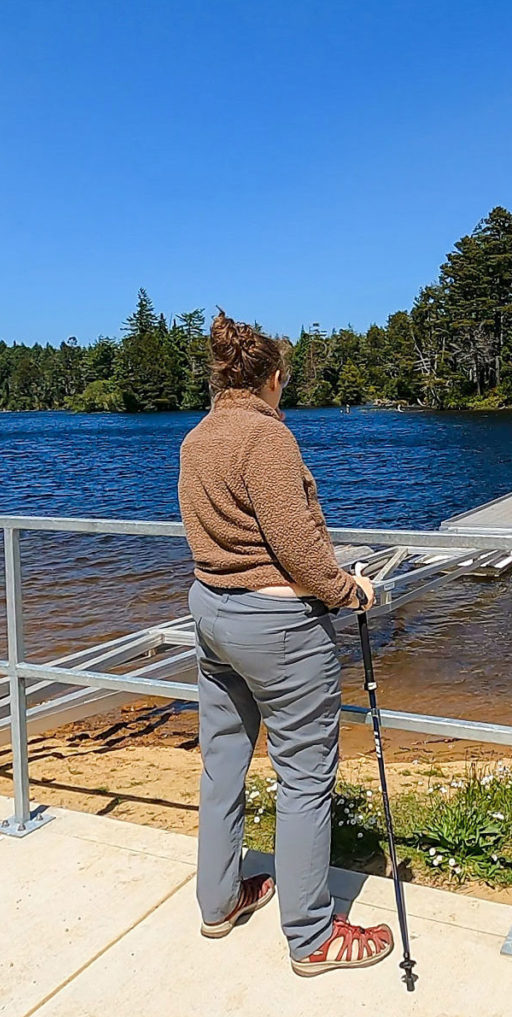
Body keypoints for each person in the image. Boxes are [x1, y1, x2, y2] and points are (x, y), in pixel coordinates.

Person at [178, 310, 393, 977]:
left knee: (223, 761)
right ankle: (311, 935)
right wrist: (348, 590)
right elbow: (298, 548)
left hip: (213, 611)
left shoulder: (198, 438)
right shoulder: (266, 438)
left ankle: (219, 900)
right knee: (303, 779)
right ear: (273, 379)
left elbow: (211, 531)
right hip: (276, 627)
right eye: (284, 382)